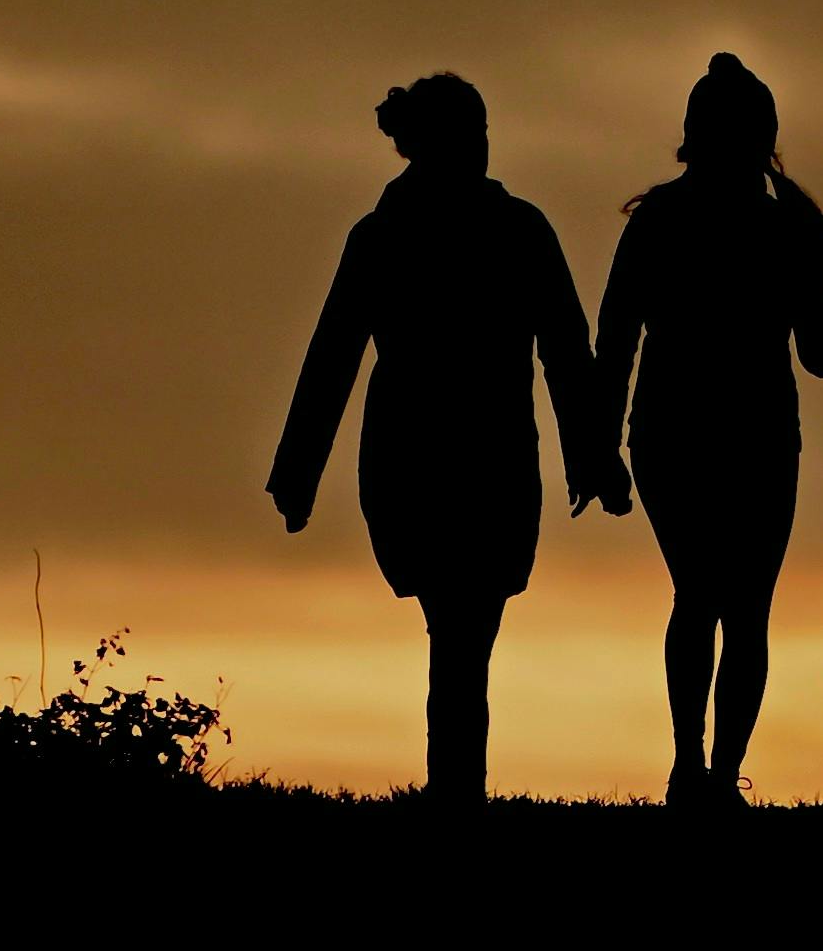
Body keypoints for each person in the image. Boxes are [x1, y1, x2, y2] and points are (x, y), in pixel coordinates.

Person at [268, 73, 627, 802]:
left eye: (485, 130)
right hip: (445, 452)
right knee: (464, 631)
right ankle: (457, 790)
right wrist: (297, 472)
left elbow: (564, 348)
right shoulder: (497, 230)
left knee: (462, 631)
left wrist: (595, 458)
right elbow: (334, 350)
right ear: (437, 143)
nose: (485, 145)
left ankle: (453, 789)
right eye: (473, 132)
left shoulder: (414, 233)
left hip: (453, 450)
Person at [596, 53, 823, 807]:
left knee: (698, 594)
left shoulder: (658, 222)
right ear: (765, 138)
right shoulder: (787, 229)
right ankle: (715, 774)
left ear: (691, 136)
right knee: (743, 609)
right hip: (760, 437)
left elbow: (615, 339)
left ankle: (690, 770)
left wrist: (601, 449)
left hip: (668, 435)